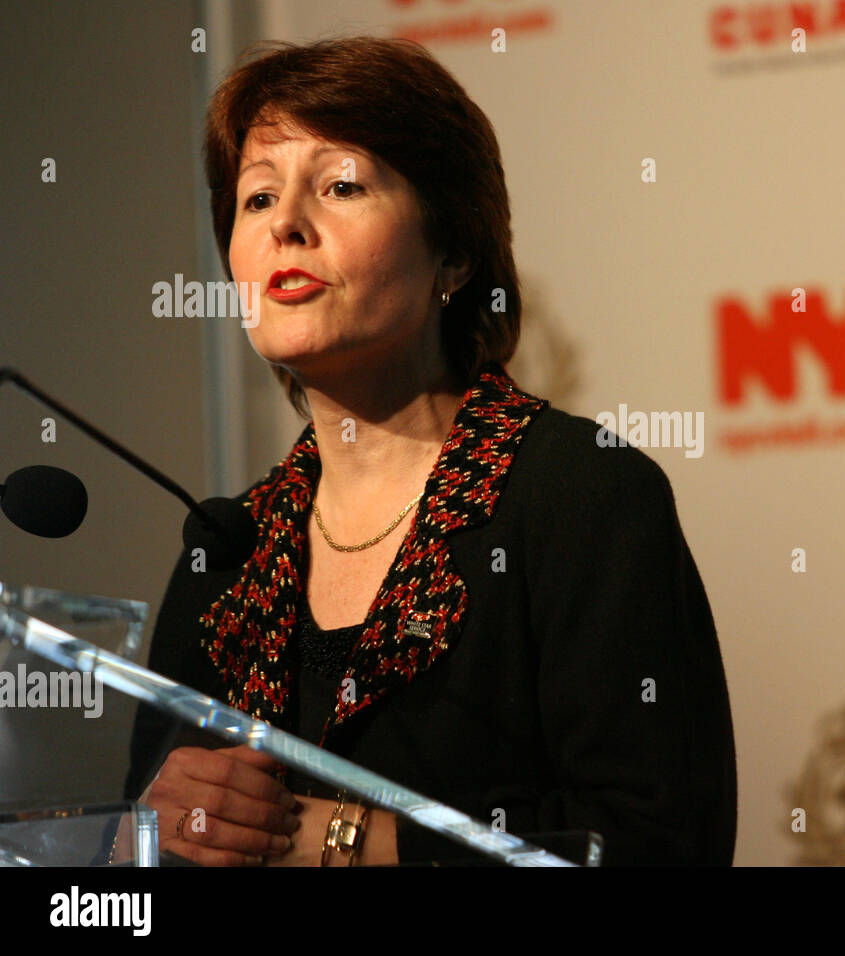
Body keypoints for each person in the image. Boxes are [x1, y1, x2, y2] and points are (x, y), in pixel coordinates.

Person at [121, 36, 737, 866]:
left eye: (341, 186)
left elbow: (658, 843)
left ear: (452, 252)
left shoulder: (581, 496)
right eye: (257, 200)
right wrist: (137, 843)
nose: (287, 228)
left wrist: (330, 840)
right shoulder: (228, 554)